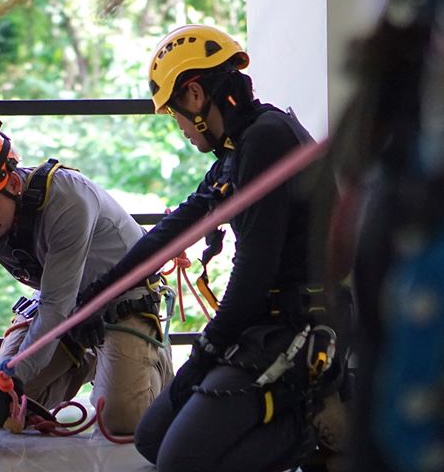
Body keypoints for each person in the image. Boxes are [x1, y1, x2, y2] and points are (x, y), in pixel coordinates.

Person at [73, 24, 346, 472]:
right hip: (264, 326)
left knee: (181, 461)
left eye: (174, 112)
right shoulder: (237, 152)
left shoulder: (268, 139)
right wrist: (99, 295)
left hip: (297, 329)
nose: (178, 125)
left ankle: (308, 424)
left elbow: (255, 270)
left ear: (195, 95)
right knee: (150, 438)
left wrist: (206, 352)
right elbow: (175, 229)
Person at [0, 122, 174, 438]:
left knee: (122, 420)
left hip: (122, 302)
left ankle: (147, 357)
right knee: (10, 406)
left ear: (13, 184)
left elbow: (56, 307)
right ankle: (87, 359)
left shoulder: (67, 200)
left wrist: (12, 377)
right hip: (61, 305)